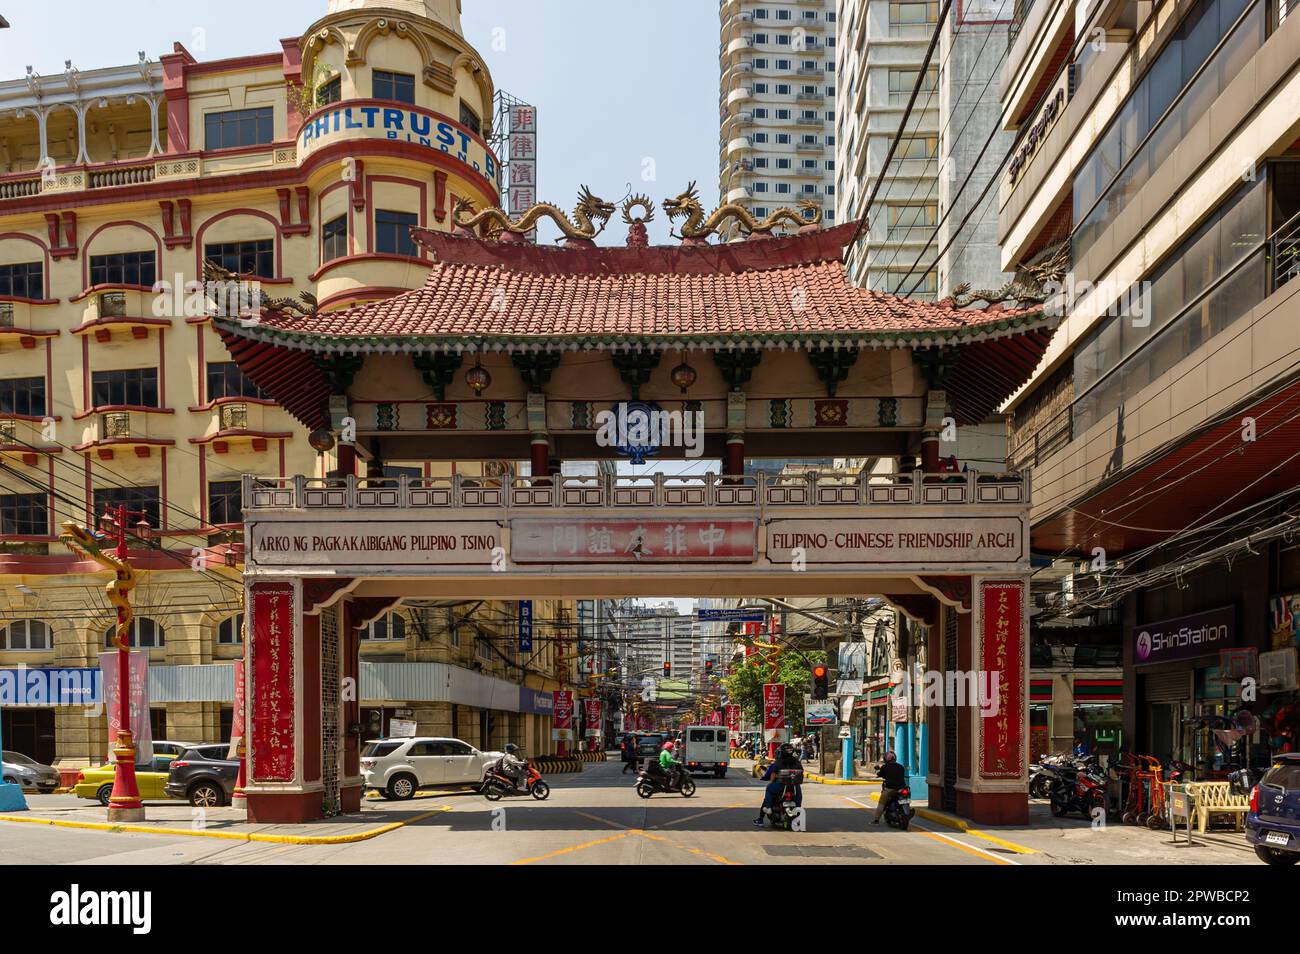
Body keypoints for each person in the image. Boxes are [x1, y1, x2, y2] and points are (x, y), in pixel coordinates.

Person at [754, 742, 803, 825]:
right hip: (794, 785)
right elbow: (801, 773)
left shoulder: (778, 762)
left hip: (780, 785)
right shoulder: (797, 761)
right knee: (798, 795)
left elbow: (772, 774)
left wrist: (771, 782)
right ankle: (798, 808)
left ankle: (766, 812)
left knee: (769, 789)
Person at [872, 750, 907, 823]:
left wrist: (879, 773)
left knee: (881, 803)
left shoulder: (885, 767)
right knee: (906, 798)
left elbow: (880, 774)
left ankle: (876, 820)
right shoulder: (901, 767)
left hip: (890, 789)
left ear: (886, 759)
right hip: (902, 788)